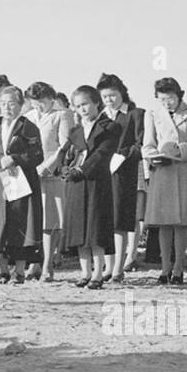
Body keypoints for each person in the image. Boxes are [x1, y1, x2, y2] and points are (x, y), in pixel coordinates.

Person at [0, 85, 43, 282]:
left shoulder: (28, 126)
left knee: (21, 223)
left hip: (22, 183)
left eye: (12, 103)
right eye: (3, 103)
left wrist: (14, 158)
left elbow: (37, 154)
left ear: (21, 105)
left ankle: (19, 270)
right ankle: (2, 268)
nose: (7, 108)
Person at [141, 77, 187, 286]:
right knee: (163, 223)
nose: (167, 103)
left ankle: (178, 267)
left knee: (180, 222)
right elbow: (147, 144)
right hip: (162, 171)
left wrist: (180, 149)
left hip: (182, 170)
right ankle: (164, 267)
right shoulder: (152, 114)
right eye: (162, 99)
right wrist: (154, 156)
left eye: (170, 98)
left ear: (179, 95)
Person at [59, 85, 120, 287]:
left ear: (96, 103)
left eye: (85, 104)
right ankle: (85, 272)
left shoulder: (110, 126)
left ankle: (98, 274)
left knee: (95, 229)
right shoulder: (75, 130)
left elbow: (102, 154)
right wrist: (65, 169)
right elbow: (67, 154)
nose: (82, 109)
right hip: (76, 184)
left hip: (96, 183)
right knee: (79, 229)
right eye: (77, 106)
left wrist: (82, 170)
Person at [97, 73, 143, 282]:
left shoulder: (135, 114)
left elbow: (140, 145)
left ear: (122, 93)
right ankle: (107, 266)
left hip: (124, 172)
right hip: (102, 173)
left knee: (120, 222)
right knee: (104, 220)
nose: (109, 100)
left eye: (112, 95)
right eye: (105, 97)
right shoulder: (101, 116)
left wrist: (124, 155)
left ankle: (118, 268)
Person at [27, 81, 74, 281]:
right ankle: (33, 263)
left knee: (50, 222)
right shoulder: (28, 117)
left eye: (43, 102)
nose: (39, 106)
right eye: (35, 102)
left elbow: (64, 145)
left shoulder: (61, 115)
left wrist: (48, 166)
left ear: (51, 99)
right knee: (33, 221)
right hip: (30, 175)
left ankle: (47, 264)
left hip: (50, 174)